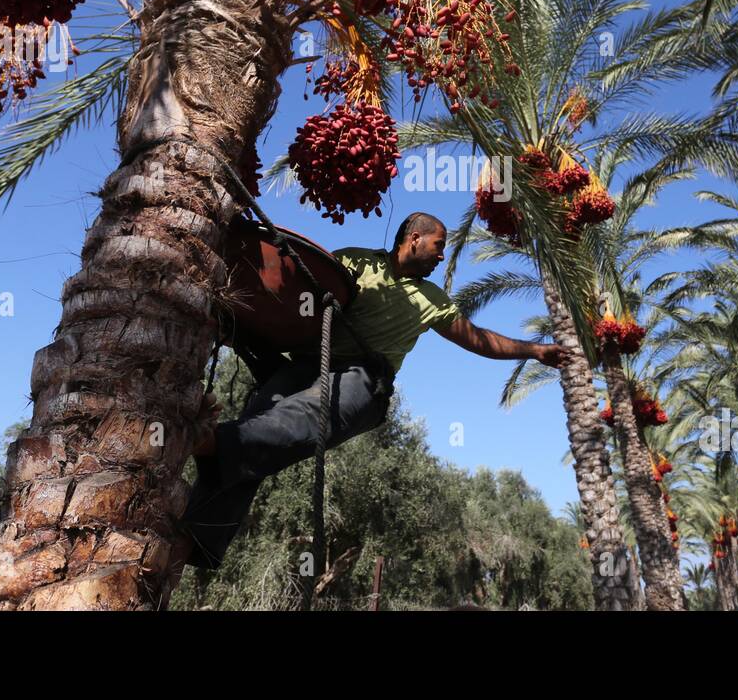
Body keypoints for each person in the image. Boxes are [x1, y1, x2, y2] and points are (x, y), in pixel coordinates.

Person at [175, 211, 567, 571]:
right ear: (414, 239)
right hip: (308, 362)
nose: (441, 257)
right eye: (438, 246)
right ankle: (193, 539)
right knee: (257, 429)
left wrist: (534, 350)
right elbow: (297, 295)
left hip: (364, 376)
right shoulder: (352, 262)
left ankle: (203, 442)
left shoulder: (432, 301)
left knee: (313, 417)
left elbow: (479, 339)